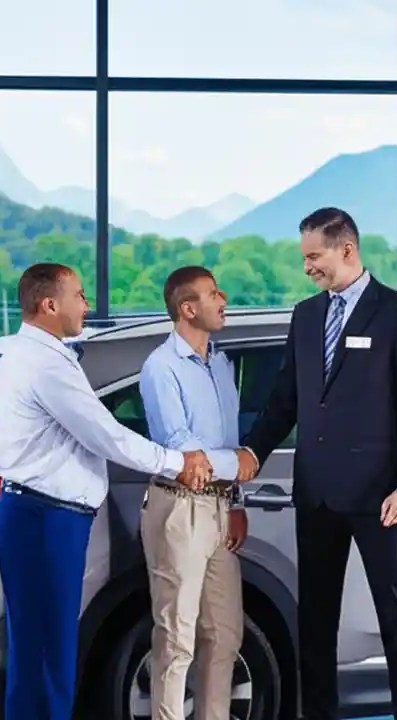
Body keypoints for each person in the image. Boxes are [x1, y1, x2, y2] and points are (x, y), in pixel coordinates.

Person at [243, 208, 397, 720]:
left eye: (314, 256)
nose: (308, 267)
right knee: (314, 622)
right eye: (304, 258)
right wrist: (252, 452)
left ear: (347, 250)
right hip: (316, 495)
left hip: (384, 499)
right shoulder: (306, 316)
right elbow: (285, 400)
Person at [0, 262, 211, 720]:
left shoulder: (29, 355)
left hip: (37, 518)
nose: (86, 305)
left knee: (35, 658)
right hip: (45, 521)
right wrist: (178, 462)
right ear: (49, 304)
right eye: (79, 295)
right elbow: (106, 435)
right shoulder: (47, 364)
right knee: (49, 658)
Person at [138, 266, 260, 720]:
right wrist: (243, 462)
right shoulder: (161, 367)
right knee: (176, 636)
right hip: (179, 509)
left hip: (219, 510)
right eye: (213, 293)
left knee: (225, 635)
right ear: (188, 309)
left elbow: (226, 443)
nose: (223, 298)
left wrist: (237, 500)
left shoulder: (221, 365)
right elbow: (182, 449)